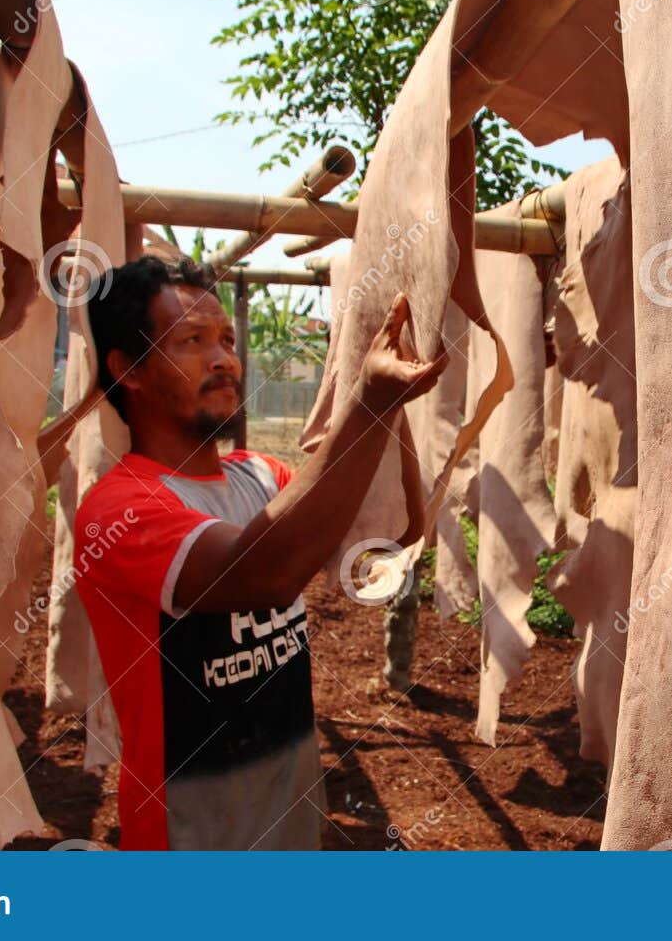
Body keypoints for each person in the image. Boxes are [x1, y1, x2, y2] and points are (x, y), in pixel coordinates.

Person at [72, 255, 446, 850]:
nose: (223, 358)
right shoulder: (115, 512)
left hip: (293, 828)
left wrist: (387, 391)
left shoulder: (263, 478)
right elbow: (261, 573)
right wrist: (369, 403)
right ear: (129, 370)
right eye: (191, 340)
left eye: (225, 338)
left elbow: (391, 535)